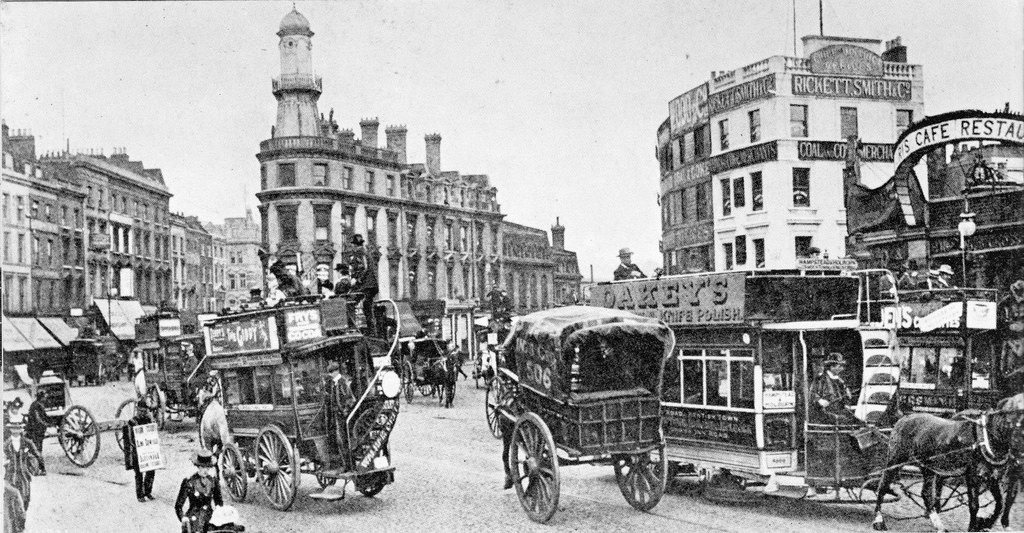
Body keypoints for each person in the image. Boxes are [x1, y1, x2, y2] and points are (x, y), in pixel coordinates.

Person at [4, 412, 41, 526]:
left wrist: (34, 465)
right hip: (11, 477)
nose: (16, 430)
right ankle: (16, 525)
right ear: (10, 429)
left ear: (21, 429)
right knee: (13, 502)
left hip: (24, 476)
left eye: (18, 427)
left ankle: (21, 522)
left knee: (25, 500)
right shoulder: (6, 444)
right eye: (14, 428)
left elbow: (37, 455)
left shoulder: (27, 442)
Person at [174, 449, 223, 533]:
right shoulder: (189, 482)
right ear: (198, 466)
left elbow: (219, 502)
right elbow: (178, 506)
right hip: (194, 516)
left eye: (208, 467)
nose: (205, 470)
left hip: (209, 516)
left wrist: (219, 512)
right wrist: (183, 518)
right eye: (202, 467)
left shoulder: (213, 481)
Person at [809, 353, 858, 424]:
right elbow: (813, 394)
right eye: (839, 366)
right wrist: (820, 401)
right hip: (824, 413)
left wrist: (846, 403)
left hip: (839, 411)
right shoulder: (820, 379)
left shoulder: (840, 381)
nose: (842, 369)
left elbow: (845, 398)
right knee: (844, 420)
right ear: (831, 367)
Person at [124, 399, 157, 503]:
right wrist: (138, 448)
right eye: (141, 411)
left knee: (151, 471)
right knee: (139, 474)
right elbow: (129, 439)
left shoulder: (148, 420)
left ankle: (148, 492)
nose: (143, 413)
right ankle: (140, 495)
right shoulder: (132, 422)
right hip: (137, 452)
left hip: (147, 450)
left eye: (145, 411)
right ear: (137, 410)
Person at [24, 390, 50, 476]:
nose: (46, 398)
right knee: (36, 450)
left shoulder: (37, 404)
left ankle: (38, 468)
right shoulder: (36, 406)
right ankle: (40, 468)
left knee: (37, 449)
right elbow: (37, 419)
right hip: (34, 431)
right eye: (45, 397)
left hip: (38, 431)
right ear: (41, 397)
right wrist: (46, 424)